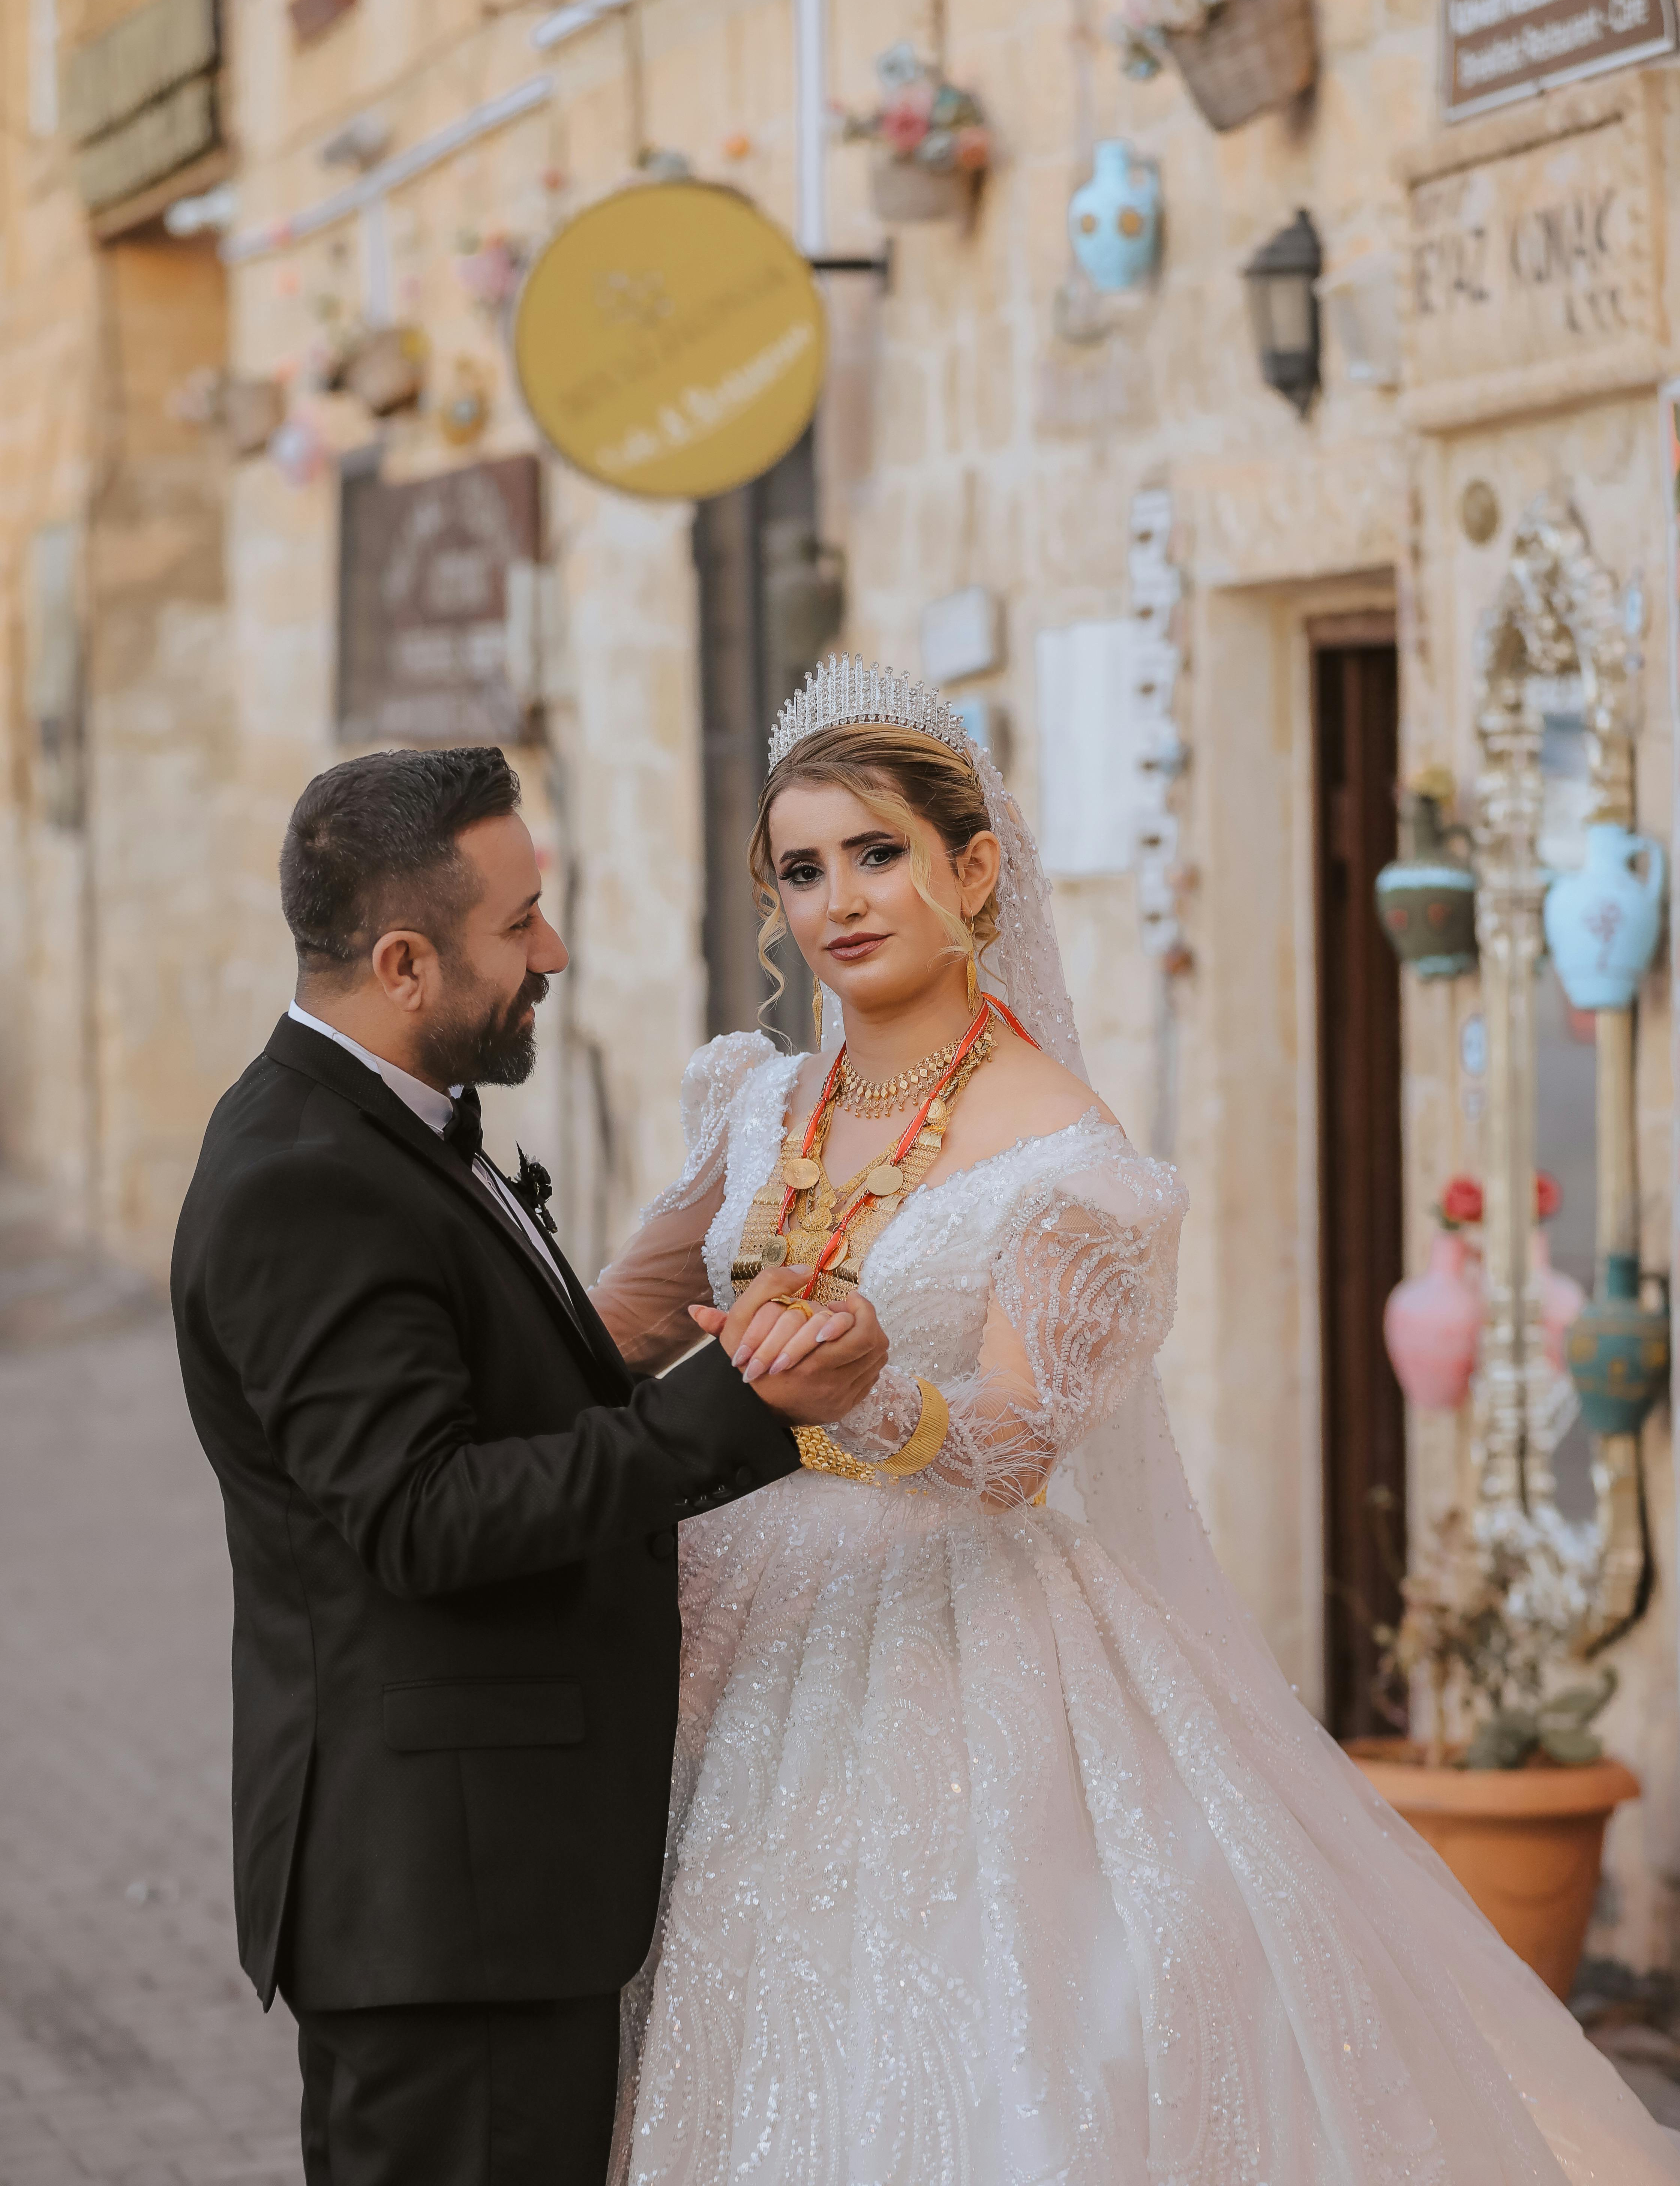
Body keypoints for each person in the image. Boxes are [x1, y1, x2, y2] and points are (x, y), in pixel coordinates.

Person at [591, 655, 1680, 2186]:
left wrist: (870, 1396)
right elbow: (615, 1322)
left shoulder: (1066, 1153)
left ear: (976, 870)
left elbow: (1018, 1445)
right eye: (804, 869)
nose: (840, 900)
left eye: (879, 853)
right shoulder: (755, 1106)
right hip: (734, 1624)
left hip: (956, 1647)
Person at [171, 745, 886, 2186]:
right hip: (447, 1901)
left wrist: (639, 1347)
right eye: (518, 926)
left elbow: (478, 1402)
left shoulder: (382, 1124)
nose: (552, 952)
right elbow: (422, 1515)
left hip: (485, 1886)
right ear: (404, 963)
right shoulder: (305, 1177)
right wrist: (738, 1406)